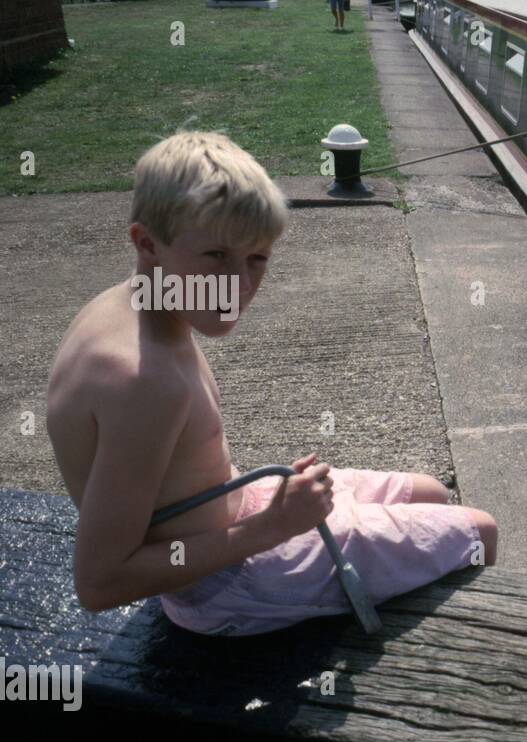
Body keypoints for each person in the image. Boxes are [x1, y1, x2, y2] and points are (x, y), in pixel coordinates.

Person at [45, 131, 497, 637]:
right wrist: (273, 527)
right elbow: (101, 582)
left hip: (237, 511)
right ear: (147, 242)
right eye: (216, 256)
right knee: (480, 531)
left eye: (257, 258)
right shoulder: (145, 382)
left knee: (432, 491)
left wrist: (271, 514)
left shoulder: (131, 305)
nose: (238, 284)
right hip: (224, 587)